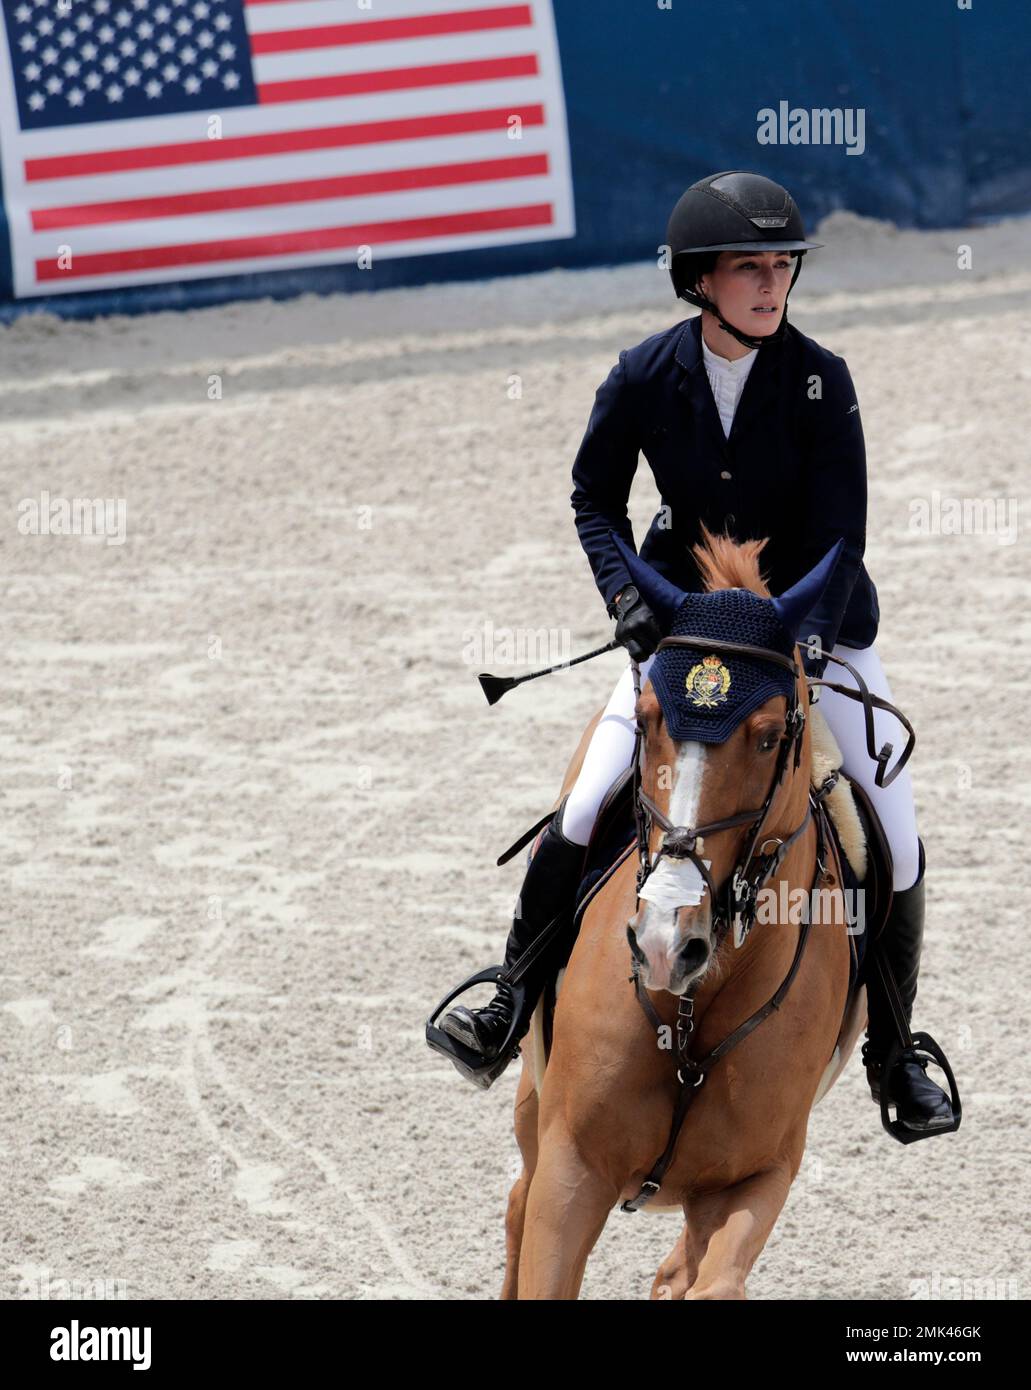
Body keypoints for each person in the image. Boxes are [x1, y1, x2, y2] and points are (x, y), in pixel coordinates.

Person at [435, 171, 954, 1135]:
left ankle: (892, 1052)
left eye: (781, 266)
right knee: (588, 801)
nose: (770, 284)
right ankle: (509, 995)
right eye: (747, 267)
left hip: (816, 635)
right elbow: (594, 499)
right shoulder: (641, 374)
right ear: (698, 281)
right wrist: (633, 603)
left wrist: (790, 637)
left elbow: (844, 537)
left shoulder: (819, 377)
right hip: (682, 639)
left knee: (896, 835)